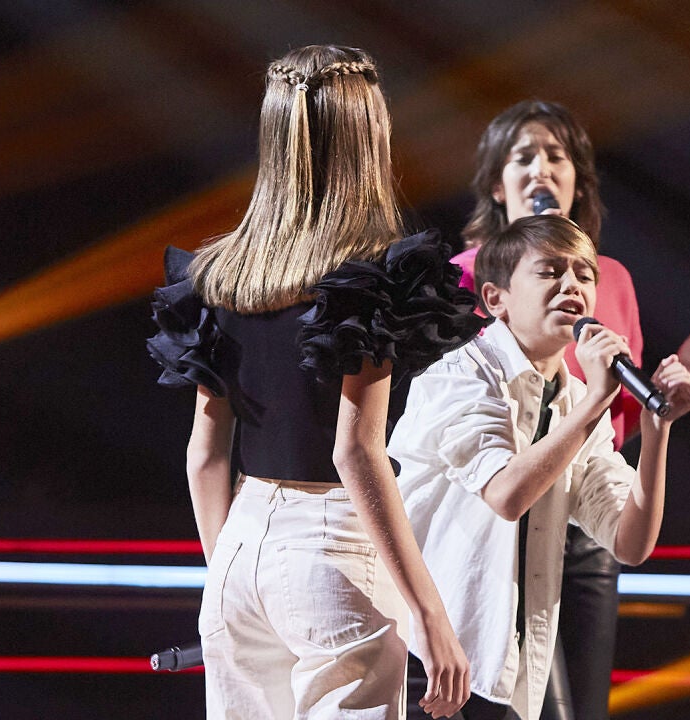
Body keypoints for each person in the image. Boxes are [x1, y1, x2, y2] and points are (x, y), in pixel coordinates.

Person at [145, 45, 481, 720]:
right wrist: (429, 613)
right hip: (333, 545)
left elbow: (205, 456)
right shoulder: (372, 277)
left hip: (238, 549)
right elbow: (355, 452)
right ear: (367, 136)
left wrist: (231, 571)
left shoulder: (220, 276)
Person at [451, 100, 690, 720]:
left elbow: (615, 423)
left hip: (585, 508)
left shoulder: (609, 278)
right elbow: (476, 403)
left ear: (578, 181)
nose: (541, 169)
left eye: (557, 157)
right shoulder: (465, 278)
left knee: (585, 703)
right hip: (505, 514)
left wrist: (658, 392)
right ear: (497, 185)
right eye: (523, 157)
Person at [389, 214, 690, 720]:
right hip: (424, 647)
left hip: (506, 657)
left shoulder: (577, 402)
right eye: (550, 271)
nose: (571, 284)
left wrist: (657, 429)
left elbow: (630, 542)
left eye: (584, 274)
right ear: (496, 299)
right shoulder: (460, 372)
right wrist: (596, 401)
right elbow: (506, 494)